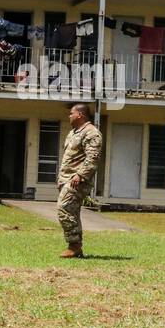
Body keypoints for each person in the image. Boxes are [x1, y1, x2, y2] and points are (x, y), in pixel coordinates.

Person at [56, 102, 104, 259]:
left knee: (63, 208)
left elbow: (93, 157)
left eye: (71, 113)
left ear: (80, 115)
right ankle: (76, 249)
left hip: (78, 180)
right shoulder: (73, 133)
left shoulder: (92, 133)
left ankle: (74, 246)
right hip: (67, 178)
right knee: (72, 212)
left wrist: (81, 175)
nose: (69, 116)